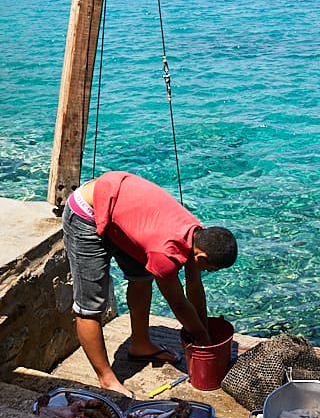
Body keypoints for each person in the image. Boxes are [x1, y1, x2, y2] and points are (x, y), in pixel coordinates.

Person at [62, 170, 238, 397]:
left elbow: (194, 288)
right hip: (86, 212)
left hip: (121, 211)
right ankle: (106, 379)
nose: (207, 272)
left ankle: (140, 344)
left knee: (142, 278)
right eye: (210, 269)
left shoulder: (196, 234)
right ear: (202, 257)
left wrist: (204, 330)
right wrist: (202, 339)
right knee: (91, 306)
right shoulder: (165, 254)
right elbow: (178, 302)